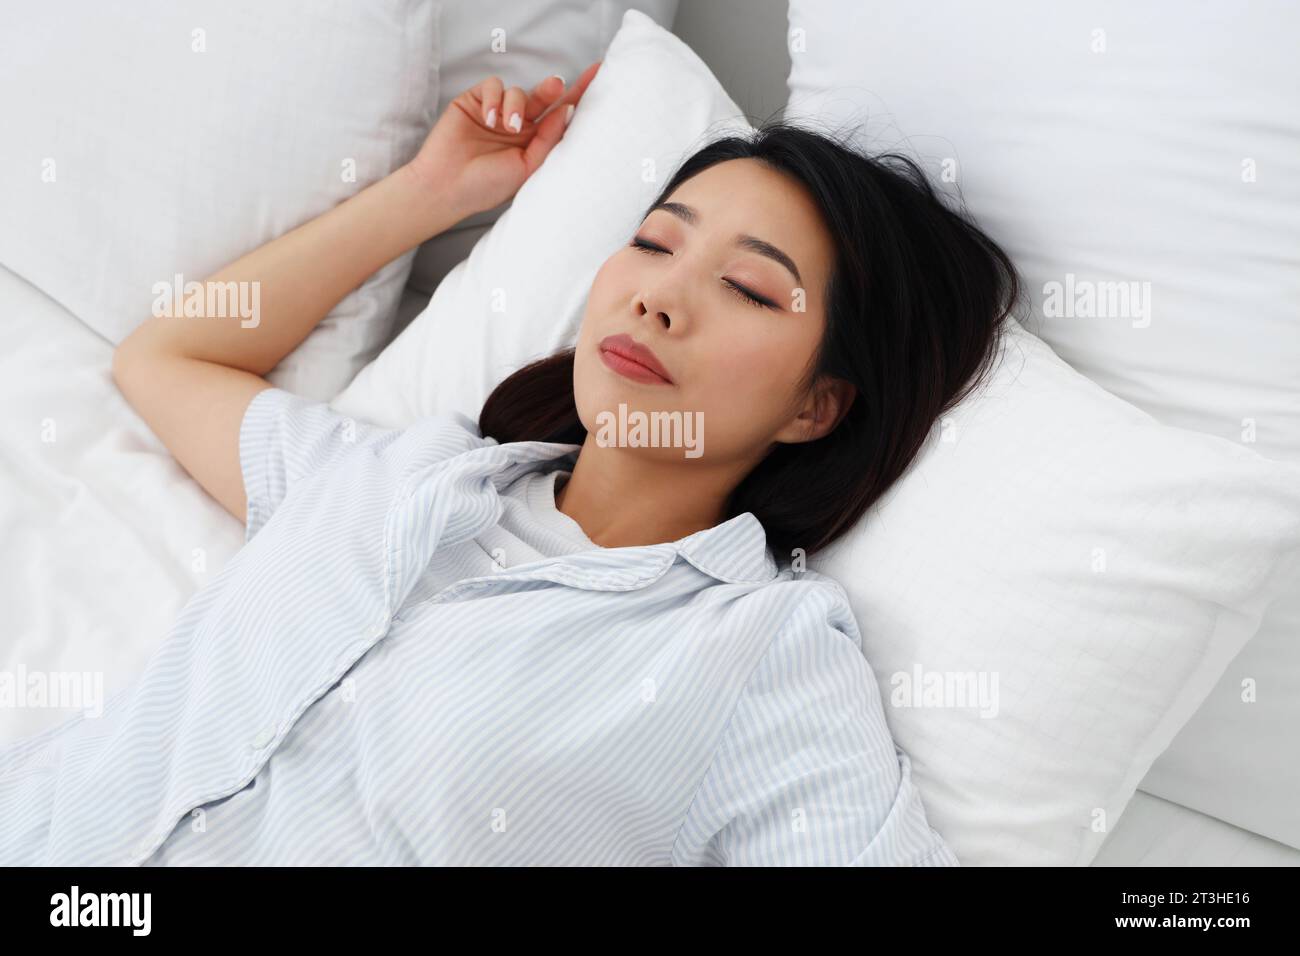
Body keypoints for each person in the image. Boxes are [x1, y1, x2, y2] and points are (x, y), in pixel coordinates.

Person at [0, 61, 1018, 865]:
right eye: (655, 243)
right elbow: (169, 357)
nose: (657, 298)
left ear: (815, 405)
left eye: (750, 290)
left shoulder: (758, 657)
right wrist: (429, 194)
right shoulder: (408, 474)